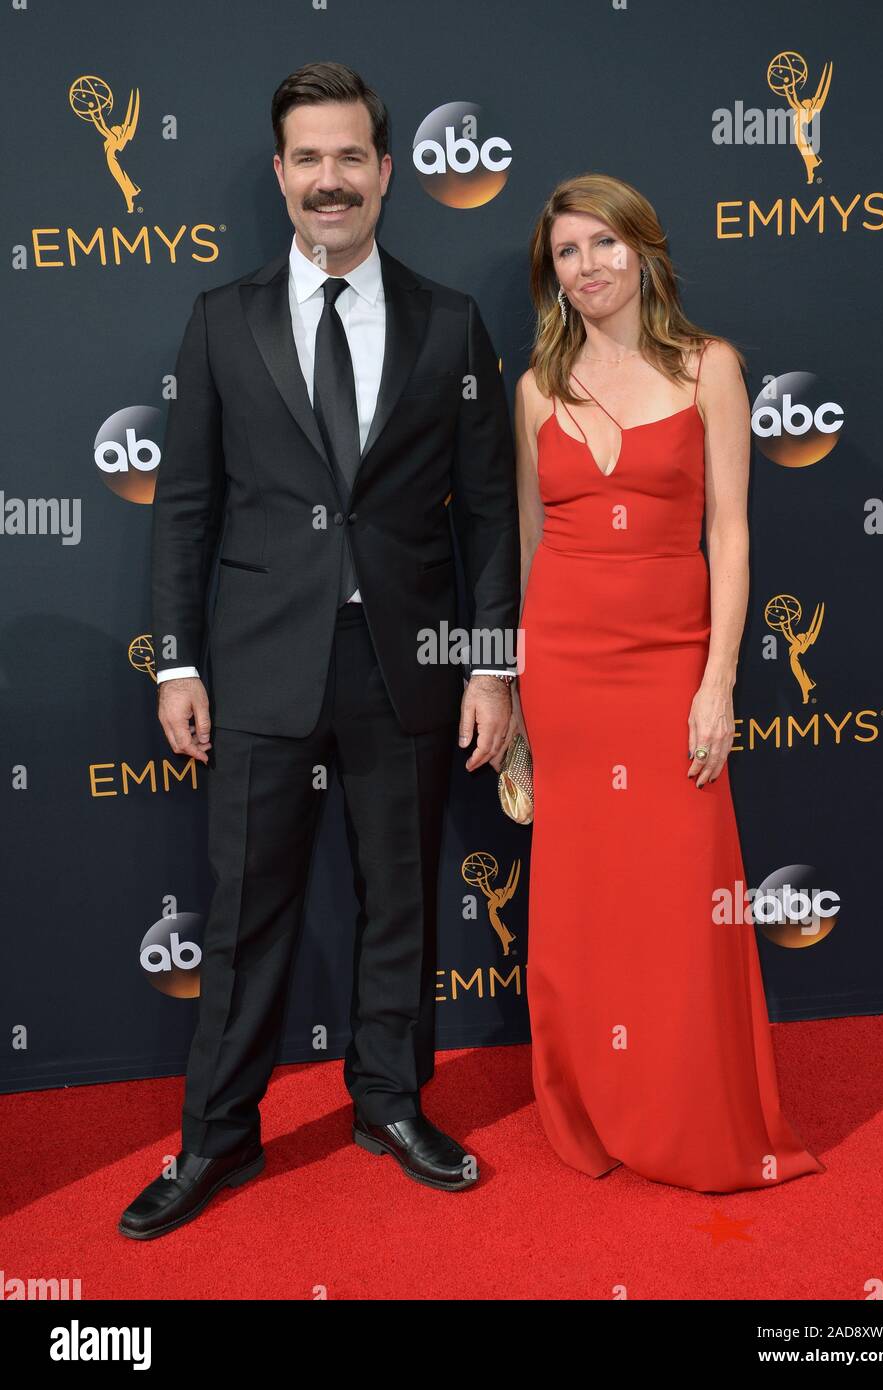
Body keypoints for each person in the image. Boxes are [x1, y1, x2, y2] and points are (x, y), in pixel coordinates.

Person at [119, 62, 519, 1240]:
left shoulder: (450, 321)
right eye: (309, 159)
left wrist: (492, 663)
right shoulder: (220, 319)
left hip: (408, 661)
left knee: (402, 900)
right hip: (255, 665)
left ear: (387, 174)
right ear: (282, 175)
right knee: (243, 910)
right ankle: (215, 1138)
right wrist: (174, 661)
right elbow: (183, 504)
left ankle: (391, 1104)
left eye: (351, 157)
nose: (330, 180)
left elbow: (489, 511)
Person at [507, 173, 826, 1192]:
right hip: (562, 666)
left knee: (682, 899)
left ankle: (688, 1112)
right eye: (567, 252)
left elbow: (728, 531)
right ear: (549, 273)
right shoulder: (534, 389)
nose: (588, 266)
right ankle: (592, 1105)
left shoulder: (708, 368)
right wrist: (515, 698)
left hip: (666, 667)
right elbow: (526, 547)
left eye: (604, 243)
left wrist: (717, 678)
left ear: (644, 250)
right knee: (582, 900)